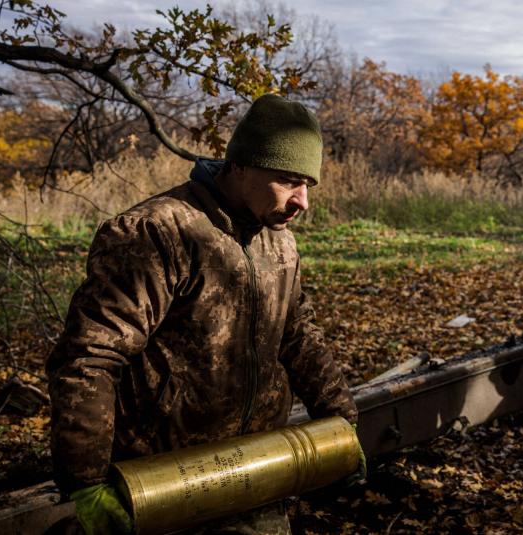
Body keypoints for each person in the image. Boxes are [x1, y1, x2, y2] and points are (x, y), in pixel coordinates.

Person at [47, 94, 359, 535]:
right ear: (240, 167)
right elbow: (89, 357)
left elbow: (297, 335)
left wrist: (342, 420)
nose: (302, 201)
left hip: (259, 472)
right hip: (164, 486)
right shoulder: (159, 232)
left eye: (308, 184)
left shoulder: (279, 241)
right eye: (289, 180)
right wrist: (87, 481)